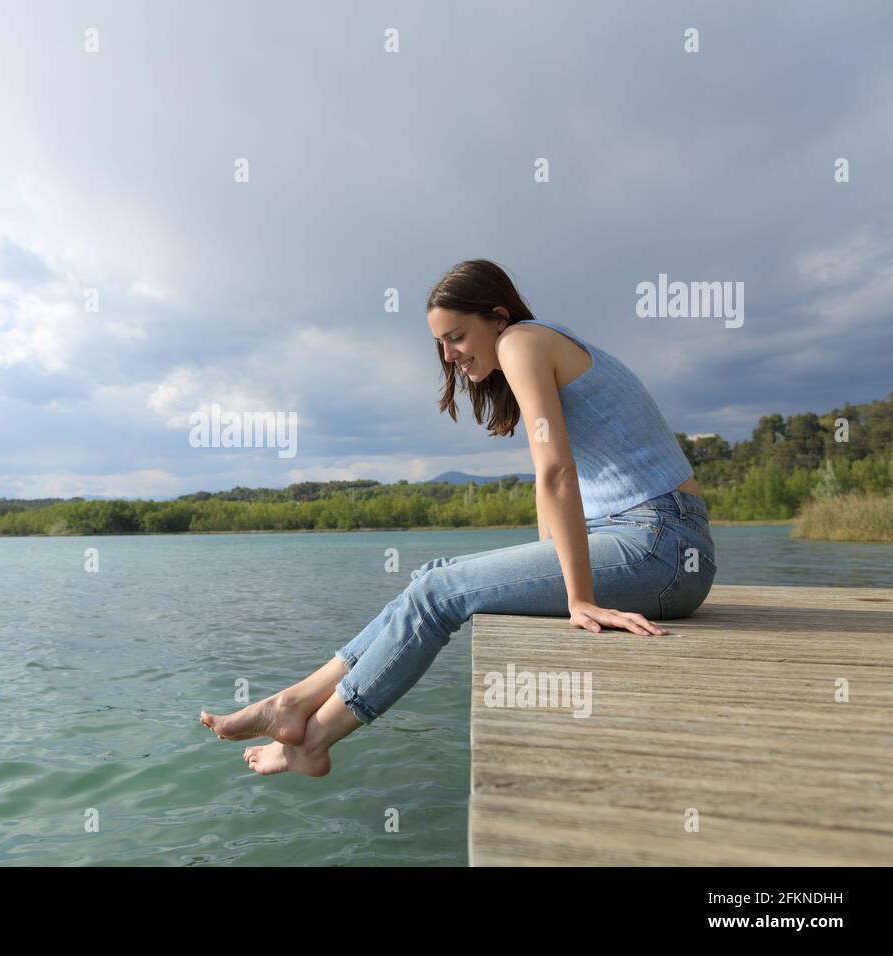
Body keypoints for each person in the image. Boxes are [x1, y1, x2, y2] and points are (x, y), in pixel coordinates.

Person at [200, 259, 717, 776]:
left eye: (457, 337)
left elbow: (556, 473)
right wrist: (549, 572)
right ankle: (295, 703)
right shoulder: (535, 345)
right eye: (440, 345)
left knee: (439, 593)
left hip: (663, 546)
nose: (449, 356)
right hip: (646, 542)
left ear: (497, 316)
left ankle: (315, 738)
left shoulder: (521, 342)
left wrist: (577, 598)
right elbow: (554, 488)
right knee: (435, 576)